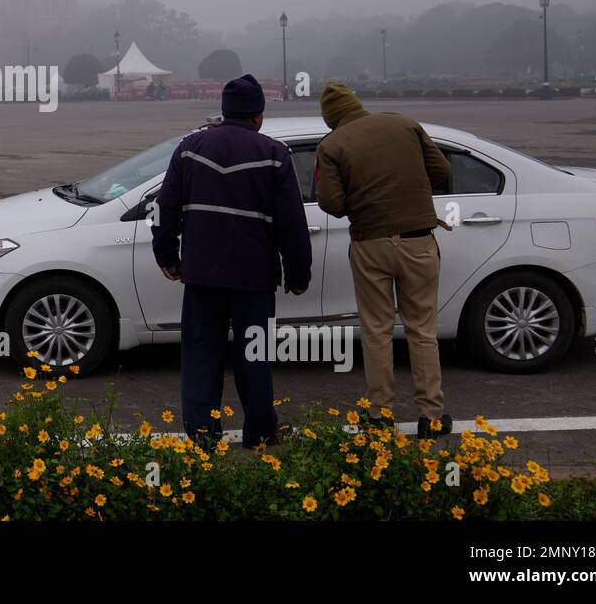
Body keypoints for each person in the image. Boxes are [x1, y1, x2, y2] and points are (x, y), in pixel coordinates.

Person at [152, 74, 313, 449]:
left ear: (224, 112)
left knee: (201, 357)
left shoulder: (190, 148)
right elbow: (292, 223)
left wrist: (167, 256)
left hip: (202, 275)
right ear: (258, 115)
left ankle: (203, 438)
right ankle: (259, 432)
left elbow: (165, 209)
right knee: (253, 357)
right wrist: (298, 273)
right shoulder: (275, 154)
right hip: (253, 279)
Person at [315, 83, 453, 438]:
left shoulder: (331, 145)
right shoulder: (405, 124)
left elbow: (330, 203)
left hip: (370, 244)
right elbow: (441, 172)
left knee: (376, 331)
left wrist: (357, 202)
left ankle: (379, 415)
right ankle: (431, 415)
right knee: (422, 330)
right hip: (419, 240)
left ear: (331, 118)